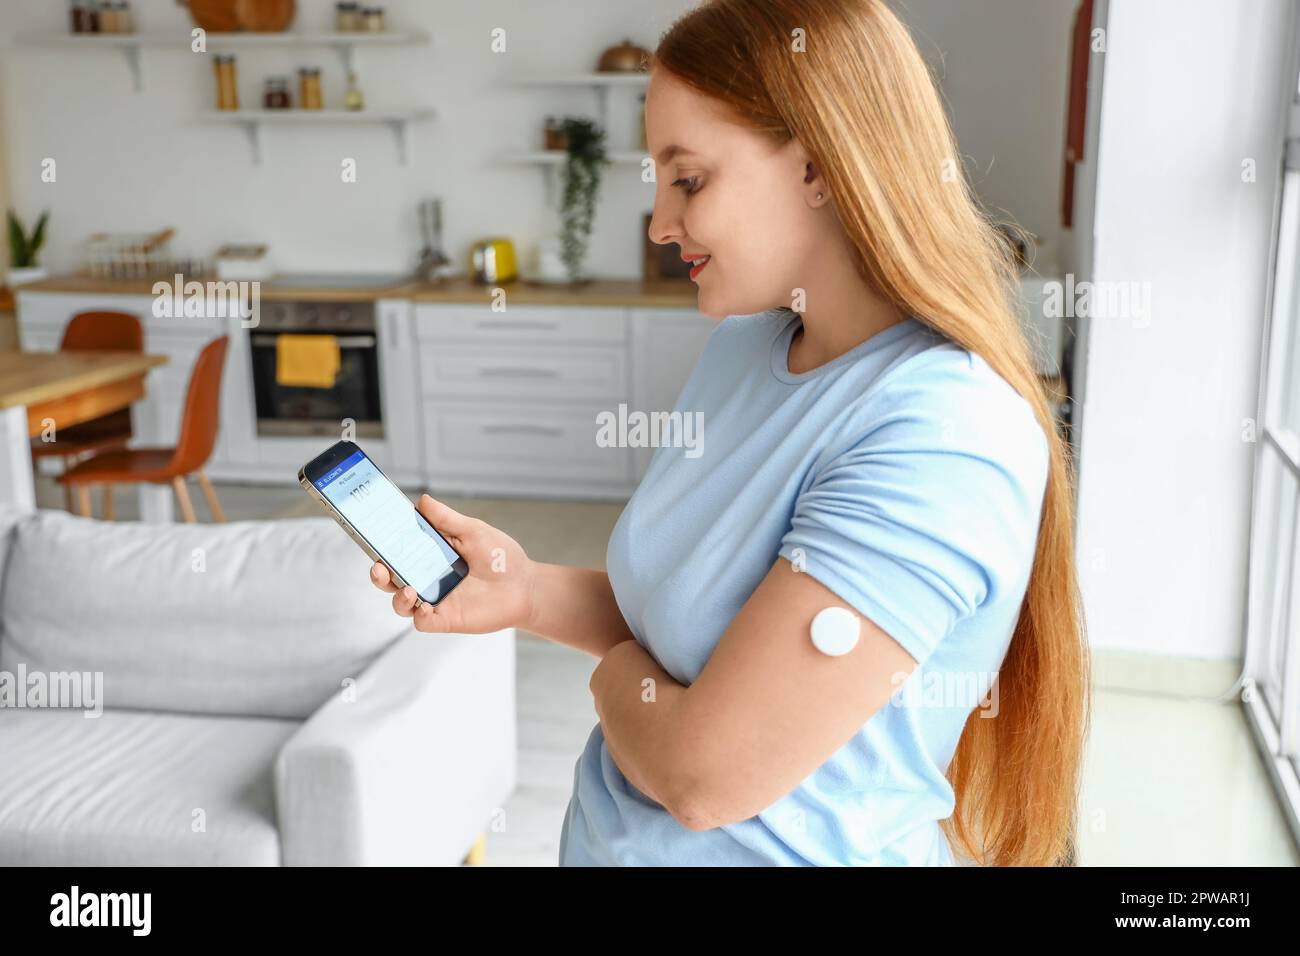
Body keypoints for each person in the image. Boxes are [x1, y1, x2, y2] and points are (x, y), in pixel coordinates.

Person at [370, 0, 1090, 866]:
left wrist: (612, 680)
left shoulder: (942, 435)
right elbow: (692, 627)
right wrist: (523, 590)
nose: (658, 224)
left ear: (820, 168)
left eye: (690, 179)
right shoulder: (745, 351)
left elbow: (701, 777)